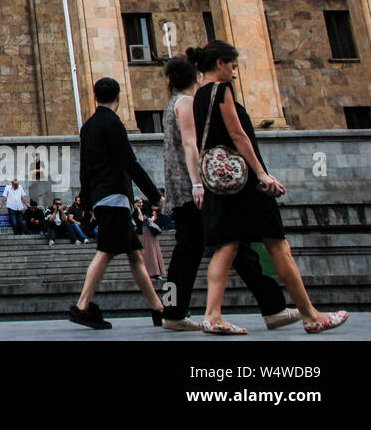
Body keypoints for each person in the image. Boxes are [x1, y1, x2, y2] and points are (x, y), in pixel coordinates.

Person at [188, 41, 348, 336]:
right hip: (244, 182)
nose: (235, 73)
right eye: (233, 66)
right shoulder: (221, 90)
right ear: (220, 63)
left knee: (226, 245)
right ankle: (311, 314)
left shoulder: (198, 95)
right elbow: (238, 135)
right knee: (278, 245)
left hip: (220, 182)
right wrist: (262, 174)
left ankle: (212, 315)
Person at [159, 54, 298, 332]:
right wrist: (198, 183)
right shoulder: (186, 103)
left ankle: (172, 310)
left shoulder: (172, 103)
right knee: (234, 245)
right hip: (196, 188)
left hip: (180, 188)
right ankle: (273, 308)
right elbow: (190, 144)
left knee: (192, 252)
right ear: (196, 76)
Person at [68, 77, 165, 330]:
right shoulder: (113, 123)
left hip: (102, 198)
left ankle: (158, 308)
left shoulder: (88, 127)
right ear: (119, 97)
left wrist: (87, 203)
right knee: (106, 252)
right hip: (115, 197)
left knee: (135, 255)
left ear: (95, 97)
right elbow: (130, 163)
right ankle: (82, 306)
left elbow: (85, 168)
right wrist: (154, 195)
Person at [135, 200, 165, 280]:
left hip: (150, 232)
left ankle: (156, 272)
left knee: (153, 252)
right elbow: (140, 219)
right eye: (138, 202)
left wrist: (152, 218)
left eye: (141, 202)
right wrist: (138, 210)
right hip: (143, 233)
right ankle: (150, 273)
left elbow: (153, 216)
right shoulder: (135, 211)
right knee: (148, 253)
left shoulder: (148, 210)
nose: (140, 204)